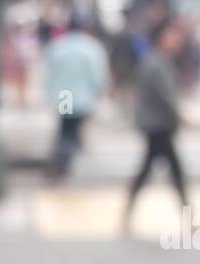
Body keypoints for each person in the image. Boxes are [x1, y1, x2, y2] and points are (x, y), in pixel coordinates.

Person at [122, 17, 191, 234]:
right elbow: (165, 96)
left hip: (159, 126)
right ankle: (189, 219)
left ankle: (127, 214)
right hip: (157, 126)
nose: (176, 40)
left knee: (155, 173)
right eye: (171, 35)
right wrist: (183, 117)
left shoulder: (158, 61)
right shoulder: (155, 62)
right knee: (173, 174)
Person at [41, 12, 109, 181]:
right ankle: (61, 164)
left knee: (65, 128)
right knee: (70, 131)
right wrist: (98, 92)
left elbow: (49, 72)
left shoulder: (57, 45)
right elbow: (97, 75)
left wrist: (49, 92)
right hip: (81, 95)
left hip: (64, 94)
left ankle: (60, 163)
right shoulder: (92, 47)